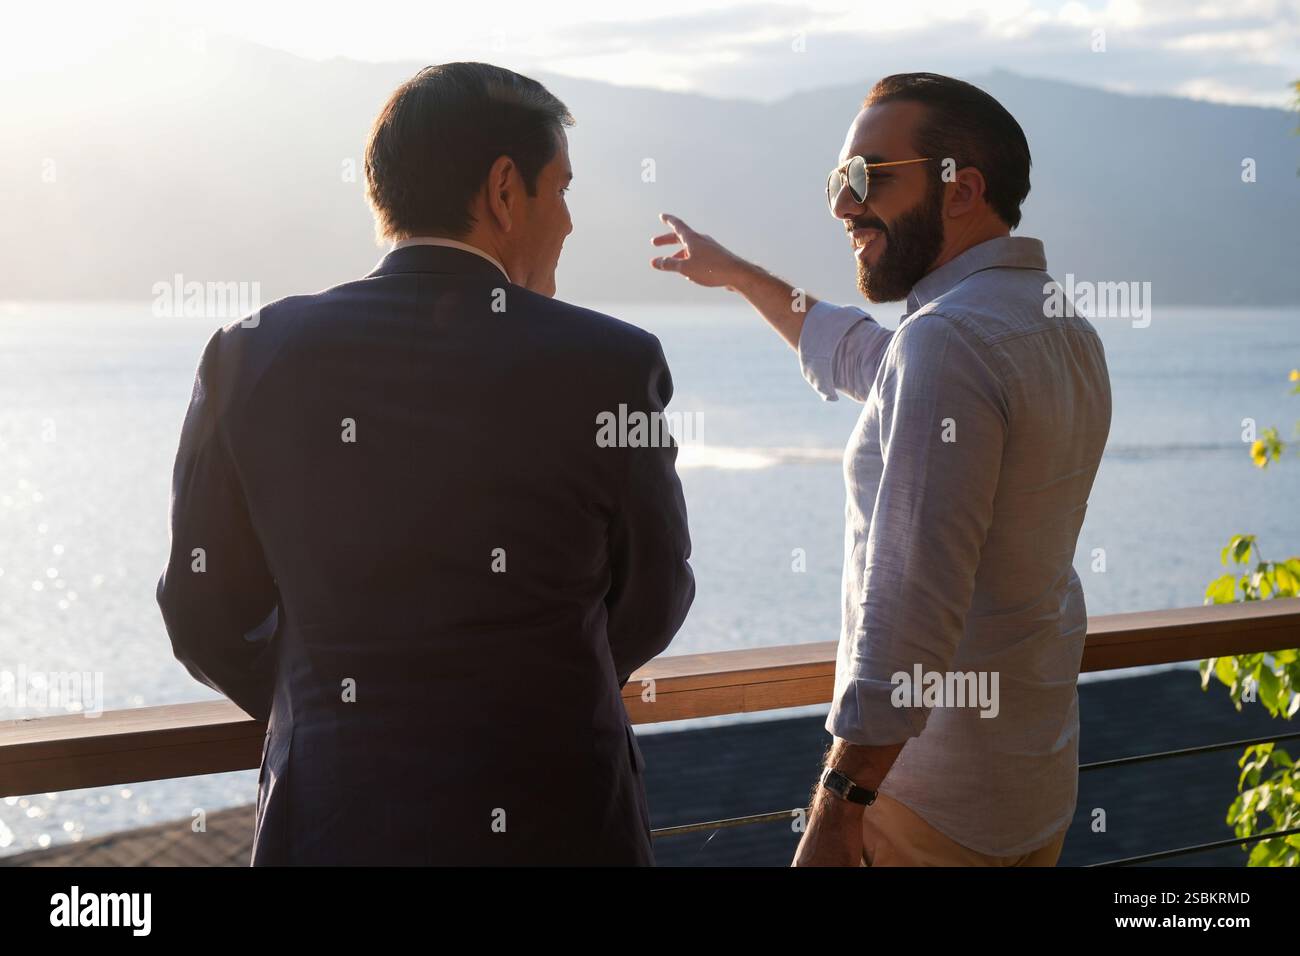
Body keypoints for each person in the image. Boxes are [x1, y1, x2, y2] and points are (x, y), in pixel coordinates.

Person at [157, 62, 694, 865]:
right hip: (559, 819)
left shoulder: (251, 355)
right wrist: (539, 683)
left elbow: (201, 609)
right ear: (505, 191)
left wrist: (331, 702)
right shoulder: (610, 363)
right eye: (563, 189)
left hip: (334, 819)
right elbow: (654, 594)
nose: (572, 223)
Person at [650, 72, 1111, 866]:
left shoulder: (949, 342)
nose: (840, 205)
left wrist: (837, 809)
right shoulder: (1053, 320)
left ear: (961, 189)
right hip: (1029, 783)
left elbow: (908, 607)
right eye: (837, 180)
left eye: (864, 178)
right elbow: (869, 356)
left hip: (929, 806)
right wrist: (738, 275)